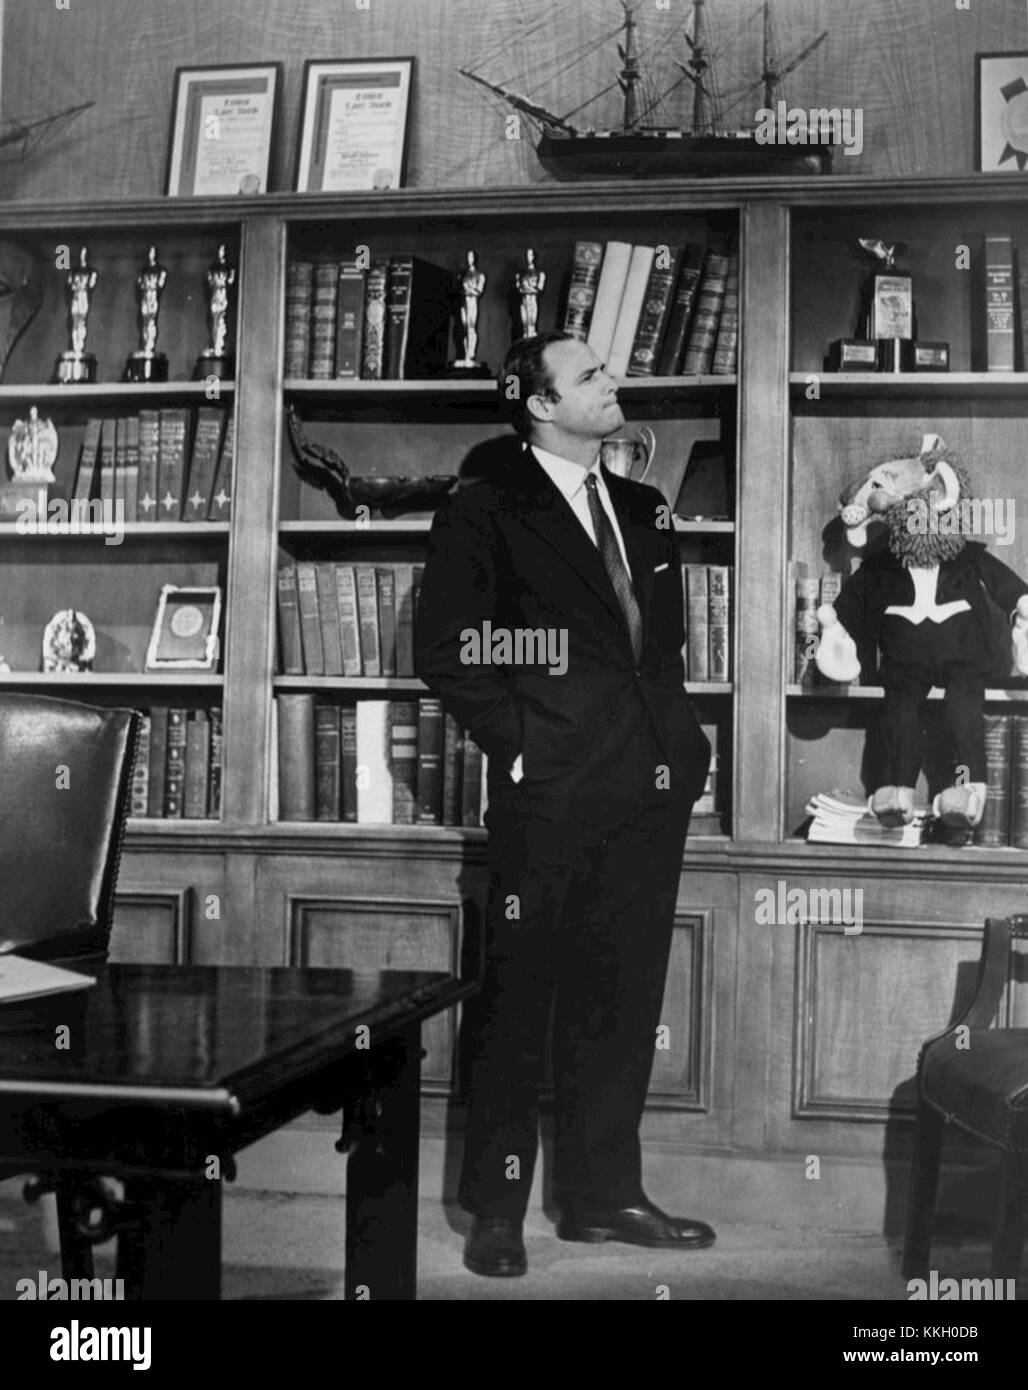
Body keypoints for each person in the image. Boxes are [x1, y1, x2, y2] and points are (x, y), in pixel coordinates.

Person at [414, 330, 714, 1278]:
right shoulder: (484, 509)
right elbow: (451, 649)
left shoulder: (644, 506)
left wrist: (684, 744)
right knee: (518, 1001)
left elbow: (657, 652)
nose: (610, 380)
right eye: (588, 374)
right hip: (547, 790)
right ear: (541, 404)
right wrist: (525, 740)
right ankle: (496, 1210)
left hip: (651, 784)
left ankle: (602, 1196)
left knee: (621, 997)